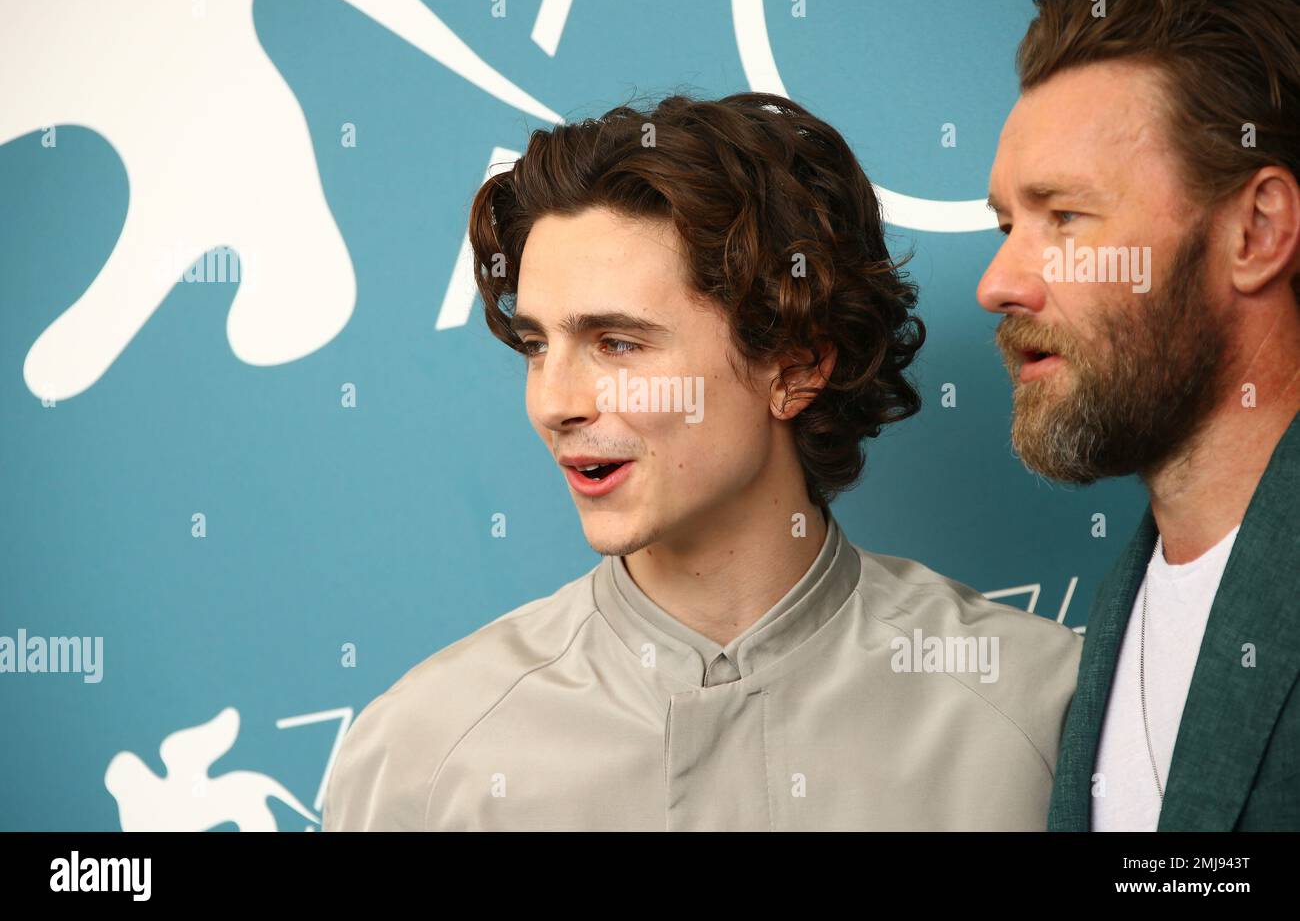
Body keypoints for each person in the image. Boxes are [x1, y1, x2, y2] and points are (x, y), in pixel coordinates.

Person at [323, 92, 1081, 831]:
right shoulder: (423, 754)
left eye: (617, 344)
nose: (555, 403)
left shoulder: (1041, 709)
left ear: (795, 367)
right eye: (536, 346)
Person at [978, 0, 1300, 830]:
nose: (999, 282)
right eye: (1008, 226)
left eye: (1067, 218)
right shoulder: (1117, 618)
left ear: (1257, 231)